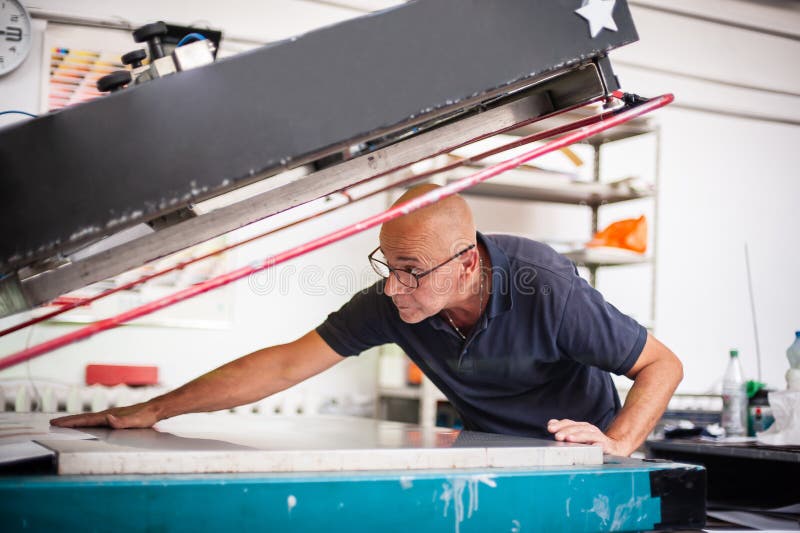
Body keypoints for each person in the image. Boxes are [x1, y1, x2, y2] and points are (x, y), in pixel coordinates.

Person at [52, 184, 683, 456]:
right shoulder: (396, 302)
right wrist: (154, 409)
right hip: (490, 454)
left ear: (466, 265)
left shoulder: (545, 286)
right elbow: (282, 363)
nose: (392, 285)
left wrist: (620, 442)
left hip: (580, 457)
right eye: (387, 262)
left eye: (412, 269)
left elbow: (661, 364)